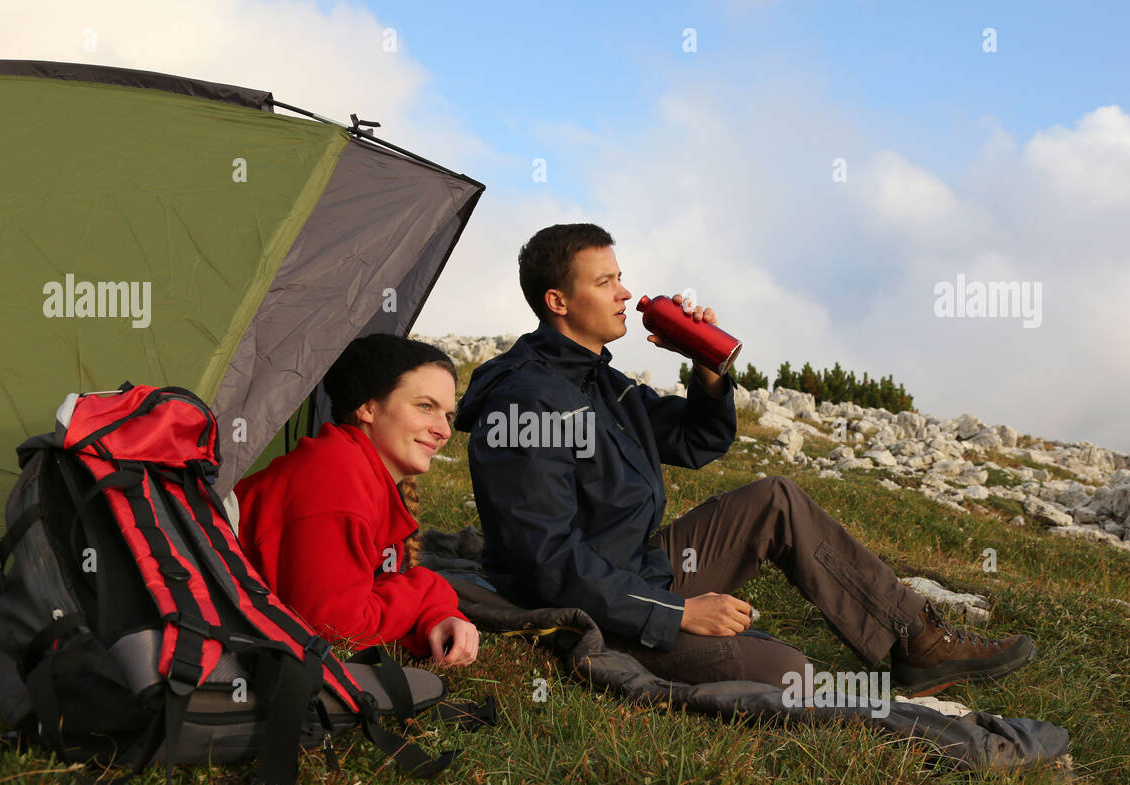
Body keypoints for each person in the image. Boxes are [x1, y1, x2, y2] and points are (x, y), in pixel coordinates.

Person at [452, 223, 1035, 692]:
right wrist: (675, 613)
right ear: (558, 300)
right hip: (588, 606)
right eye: (605, 282)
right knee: (791, 675)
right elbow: (549, 563)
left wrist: (706, 369)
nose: (626, 293)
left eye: (621, 277)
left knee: (775, 499)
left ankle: (920, 644)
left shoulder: (602, 382)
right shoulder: (526, 401)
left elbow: (695, 441)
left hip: (637, 569)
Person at [235, 334, 479, 667]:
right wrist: (427, 592)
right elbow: (335, 629)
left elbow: (369, 588)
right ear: (367, 407)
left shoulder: (362, 473)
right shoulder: (336, 473)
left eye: (448, 415)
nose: (444, 430)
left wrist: (435, 614)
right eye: (425, 406)